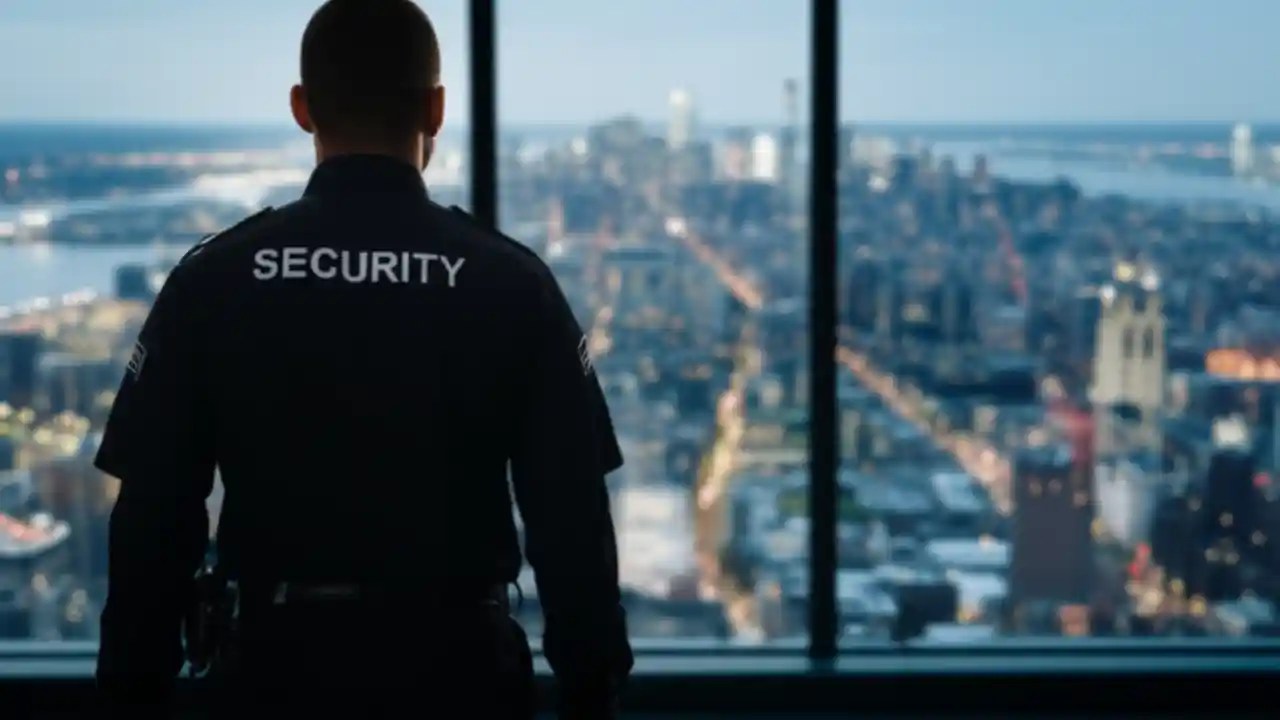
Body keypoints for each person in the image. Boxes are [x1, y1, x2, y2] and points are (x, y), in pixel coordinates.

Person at [93, 0, 633, 716]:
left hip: (271, 677)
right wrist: (592, 692)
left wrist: (131, 694)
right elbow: (571, 519)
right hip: (460, 678)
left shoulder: (215, 278)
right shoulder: (510, 282)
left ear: (303, 108)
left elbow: (153, 520)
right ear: (436, 110)